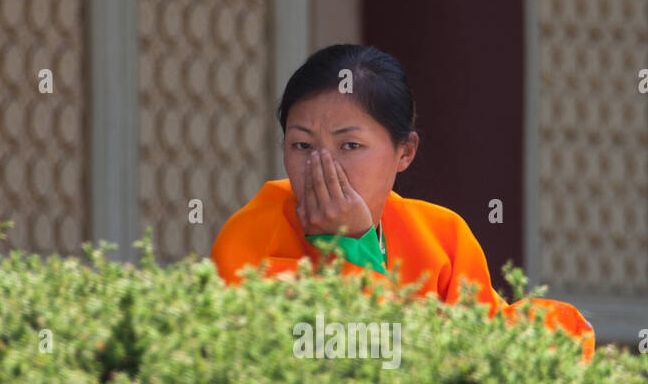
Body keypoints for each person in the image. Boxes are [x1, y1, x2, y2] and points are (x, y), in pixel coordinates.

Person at [210, 44, 595, 362]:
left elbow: (485, 356)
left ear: (404, 152)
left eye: (350, 146)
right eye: (302, 146)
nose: (321, 166)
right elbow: (345, 356)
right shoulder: (251, 235)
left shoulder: (443, 236)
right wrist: (350, 248)